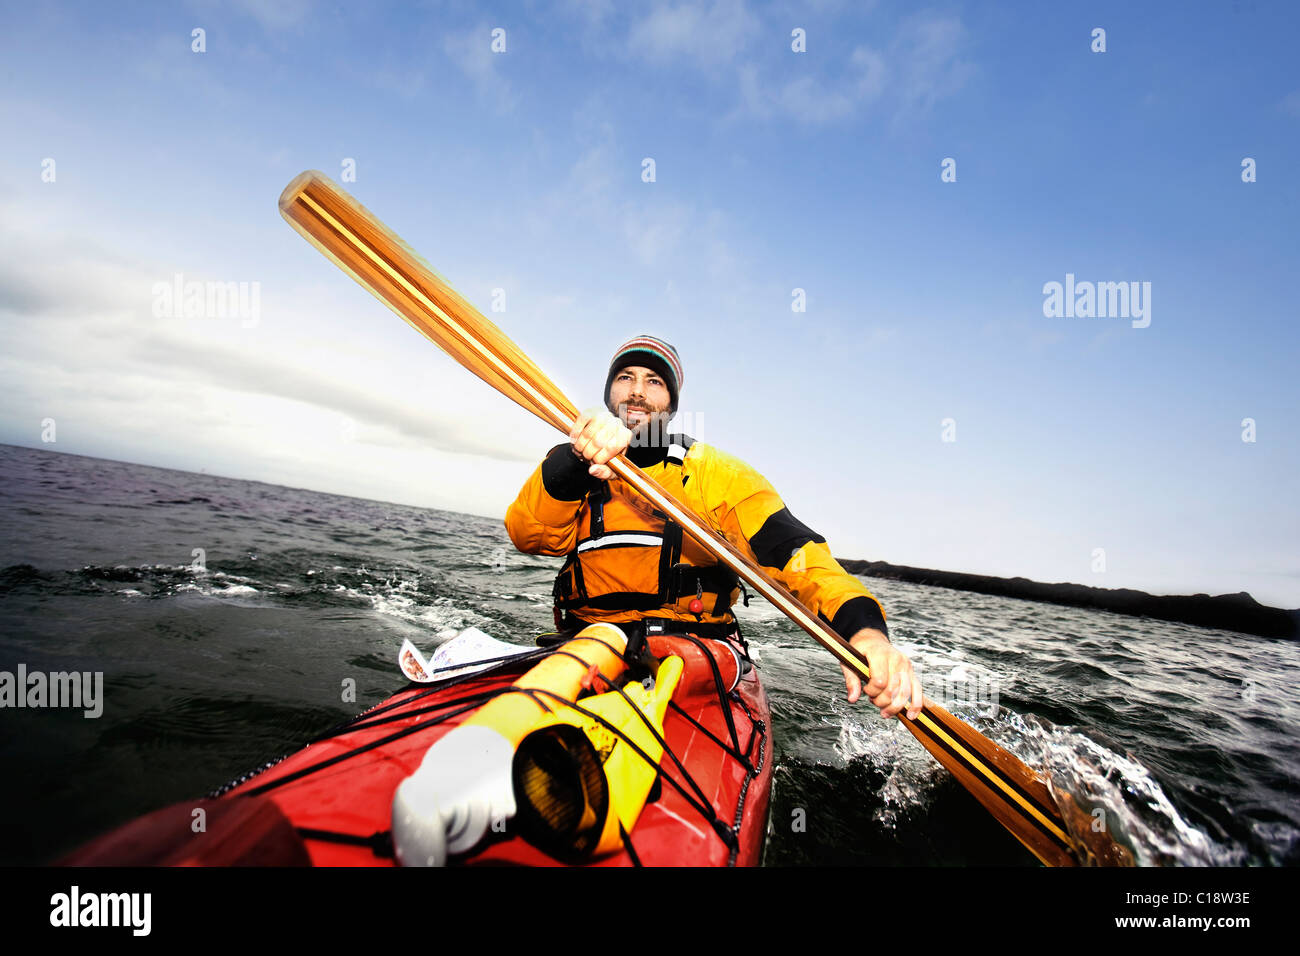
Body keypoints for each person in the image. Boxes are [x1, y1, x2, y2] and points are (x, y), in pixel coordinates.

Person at [504, 335, 922, 720]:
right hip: (586, 643)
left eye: (654, 382)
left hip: (689, 652)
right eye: (626, 377)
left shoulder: (715, 474)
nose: (637, 391)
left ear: (671, 401)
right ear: (609, 392)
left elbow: (797, 556)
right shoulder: (571, 464)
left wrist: (866, 632)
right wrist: (575, 460)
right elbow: (529, 535)